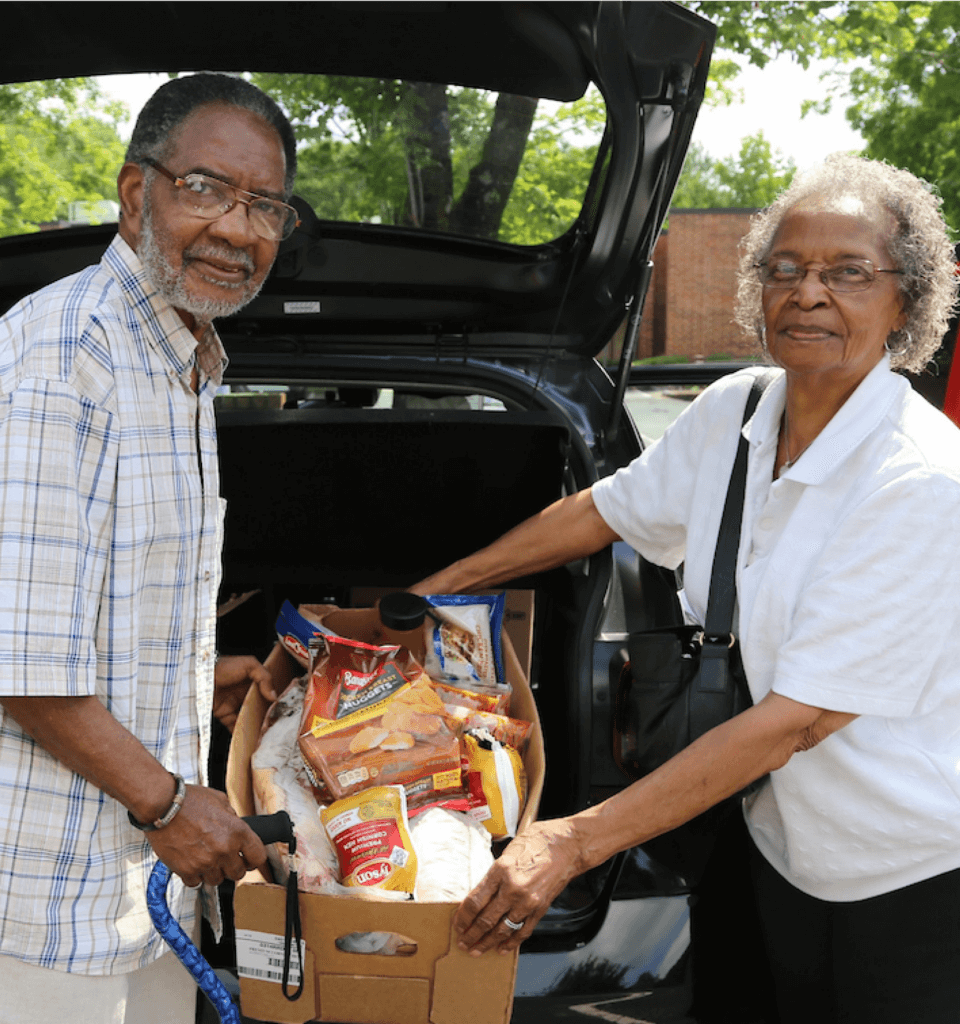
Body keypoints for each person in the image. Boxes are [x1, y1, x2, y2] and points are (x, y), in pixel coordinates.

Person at [413, 154, 960, 1024]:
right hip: (758, 836)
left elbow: (798, 721)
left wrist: (570, 839)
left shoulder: (918, 481)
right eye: (786, 269)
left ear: (909, 299)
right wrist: (426, 598)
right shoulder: (736, 409)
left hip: (898, 872)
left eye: (849, 273)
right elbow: (601, 512)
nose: (809, 293)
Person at [0, 74, 300, 1024]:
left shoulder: (183, 359)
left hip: (146, 897)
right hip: (44, 910)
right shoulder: (64, 360)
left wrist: (188, 682)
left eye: (265, 207)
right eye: (207, 188)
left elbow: (92, 607)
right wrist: (171, 805)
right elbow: (22, 658)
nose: (238, 231)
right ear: (137, 195)